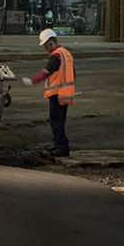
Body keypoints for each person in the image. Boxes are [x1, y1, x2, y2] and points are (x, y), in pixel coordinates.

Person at [22, 28, 75, 156]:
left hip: (57, 93)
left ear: (51, 42)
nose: (45, 49)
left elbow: (46, 72)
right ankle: (61, 146)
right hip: (66, 93)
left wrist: (32, 81)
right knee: (60, 121)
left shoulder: (56, 56)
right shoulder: (66, 53)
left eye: (45, 45)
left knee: (56, 122)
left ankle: (61, 148)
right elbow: (73, 73)